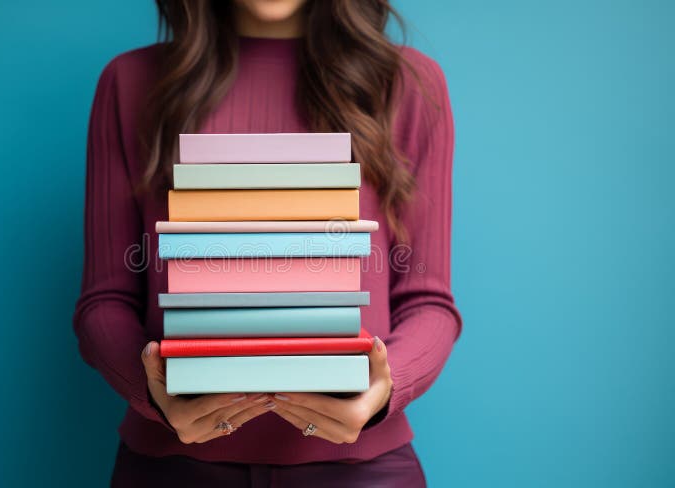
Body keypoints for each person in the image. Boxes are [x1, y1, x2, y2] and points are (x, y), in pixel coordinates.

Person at [73, 0, 463, 485]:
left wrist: (385, 387)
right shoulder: (132, 82)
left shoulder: (407, 84)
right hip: (171, 466)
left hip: (362, 470)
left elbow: (428, 301)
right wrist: (152, 392)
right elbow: (104, 301)